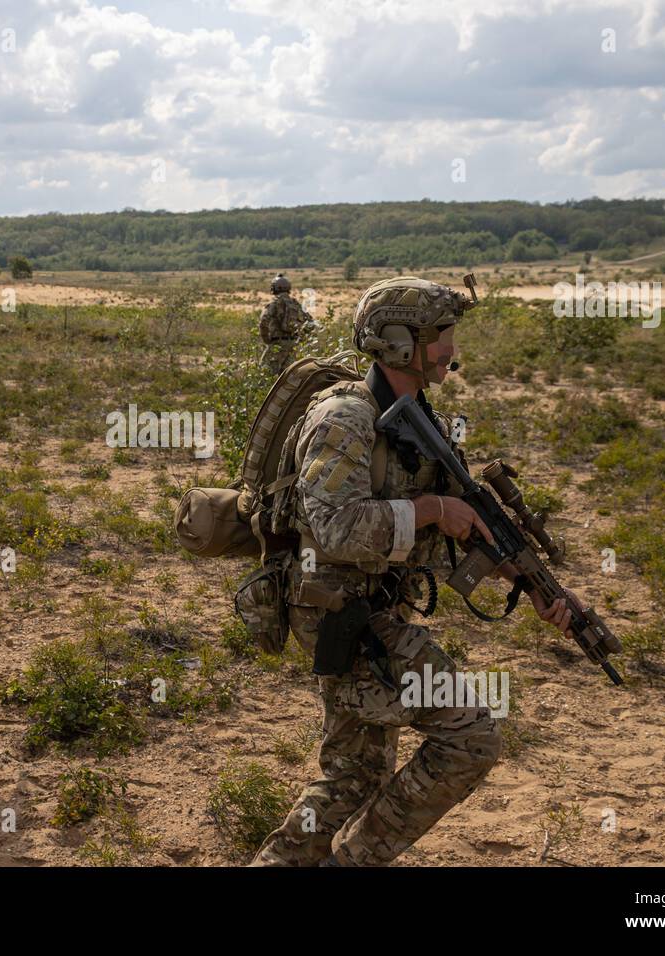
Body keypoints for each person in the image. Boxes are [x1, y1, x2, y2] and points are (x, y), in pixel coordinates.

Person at [251, 277, 584, 866]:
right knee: (471, 736)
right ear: (401, 342)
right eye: (442, 335)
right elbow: (335, 527)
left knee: (353, 778)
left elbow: (459, 527)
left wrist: (529, 584)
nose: (452, 348)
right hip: (337, 611)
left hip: (374, 605)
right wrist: (431, 509)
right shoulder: (345, 419)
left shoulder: (416, 420)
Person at [258, 273, 313, 376]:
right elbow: (310, 322)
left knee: (264, 374)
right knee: (288, 377)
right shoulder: (295, 304)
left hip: (277, 344)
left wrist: (266, 340)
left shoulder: (274, 303)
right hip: (293, 345)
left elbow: (263, 322)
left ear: (274, 288)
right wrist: (301, 339)